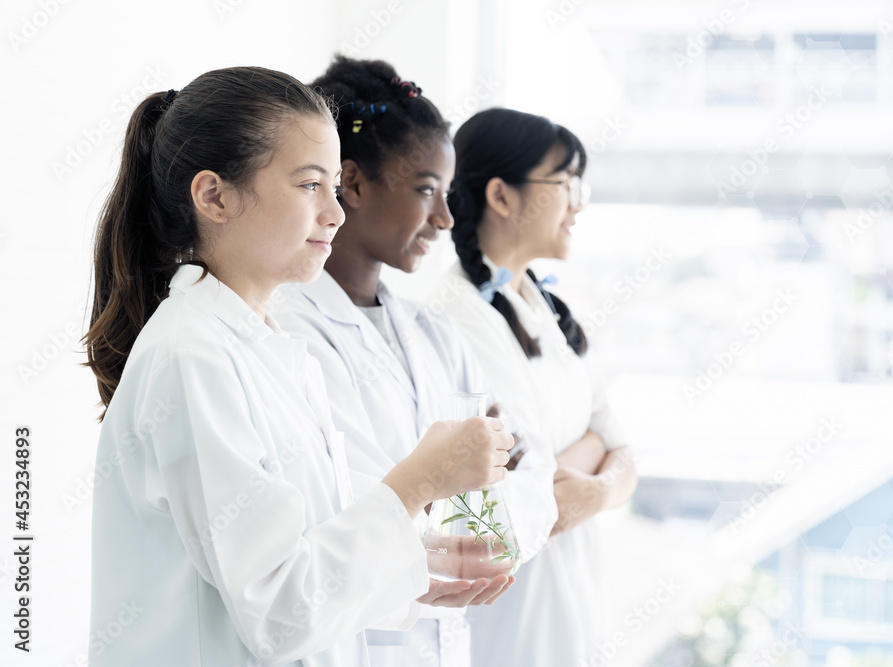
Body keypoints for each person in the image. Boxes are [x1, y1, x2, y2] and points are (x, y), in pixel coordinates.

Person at [83, 66, 514, 667]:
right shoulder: (192, 357)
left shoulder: (267, 345)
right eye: (310, 185)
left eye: (335, 187)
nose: (335, 214)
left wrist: (415, 573)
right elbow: (280, 612)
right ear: (214, 196)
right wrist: (422, 479)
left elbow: (308, 546)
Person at [272, 57, 557, 667]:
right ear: (350, 182)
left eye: (448, 194)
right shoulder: (288, 333)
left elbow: (537, 481)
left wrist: (459, 507)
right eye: (426, 189)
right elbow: (345, 517)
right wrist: (466, 482)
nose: (446, 219)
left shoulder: (436, 336)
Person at [438, 107, 638, 666]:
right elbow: (529, 487)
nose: (579, 202)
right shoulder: (455, 317)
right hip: (509, 621)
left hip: (574, 606)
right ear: (502, 197)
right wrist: (593, 457)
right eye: (564, 183)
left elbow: (619, 443)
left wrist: (597, 487)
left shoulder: (547, 305)